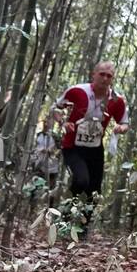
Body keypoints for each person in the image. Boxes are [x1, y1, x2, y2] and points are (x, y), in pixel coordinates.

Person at [53, 61, 129, 232]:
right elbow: (56, 109)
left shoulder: (116, 100)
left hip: (95, 148)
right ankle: (65, 220)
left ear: (112, 79)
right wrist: (64, 123)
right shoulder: (77, 91)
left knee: (95, 189)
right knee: (81, 180)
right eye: (101, 74)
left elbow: (125, 123)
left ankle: (83, 229)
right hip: (72, 146)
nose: (104, 78)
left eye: (109, 76)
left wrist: (120, 129)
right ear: (93, 74)